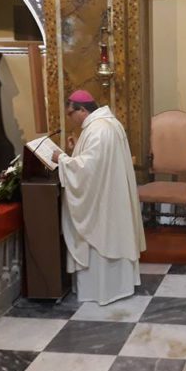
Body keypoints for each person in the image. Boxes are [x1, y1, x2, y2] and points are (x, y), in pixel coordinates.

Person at [51, 90, 145, 304]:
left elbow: (88, 170)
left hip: (103, 202)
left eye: (70, 114)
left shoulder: (98, 129)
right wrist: (75, 152)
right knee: (112, 234)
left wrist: (62, 159)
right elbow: (95, 161)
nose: (70, 119)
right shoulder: (107, 124)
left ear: (82, 110)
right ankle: (118, 285)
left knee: (102, 236)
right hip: (110, 195)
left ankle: (103, 290)